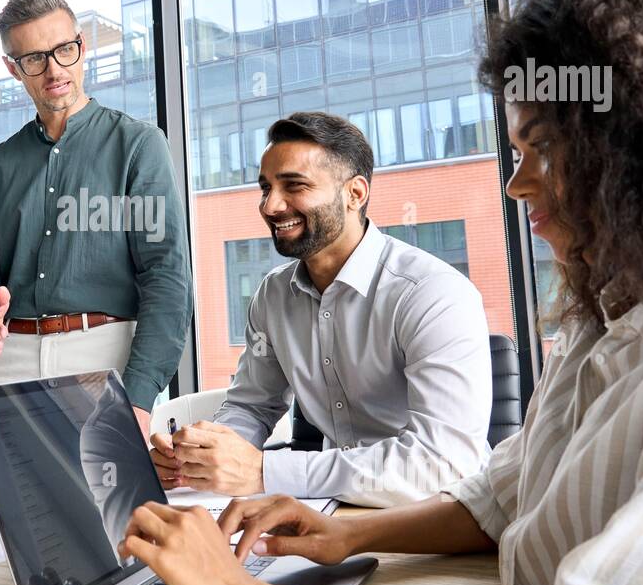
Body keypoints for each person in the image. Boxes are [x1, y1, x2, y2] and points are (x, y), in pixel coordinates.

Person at [119, 0, 643, 585]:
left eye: (540, 147)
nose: (517, 184)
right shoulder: (606, 313)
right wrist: (341, 532)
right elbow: (501, 493)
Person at [151, 112, 491, 505]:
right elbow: (251, 406)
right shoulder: (272, 296)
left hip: (434, 515)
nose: (271, 206)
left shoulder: (432, 294)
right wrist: (205, 457)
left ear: (355, 194)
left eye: (294, 186)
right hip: (331, 506)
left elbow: (440, 463)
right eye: (266, 188)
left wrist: (263, 472)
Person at [0, 0, 192, 436]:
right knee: (4, 502)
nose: (54, 70)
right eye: (34, 59)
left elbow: (167, 279)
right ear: (13, 67)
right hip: (12, 360)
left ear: (81, 47)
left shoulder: (138, 145)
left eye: (65, 50)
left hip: (104, 358)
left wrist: (139, 397)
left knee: (105, 504)